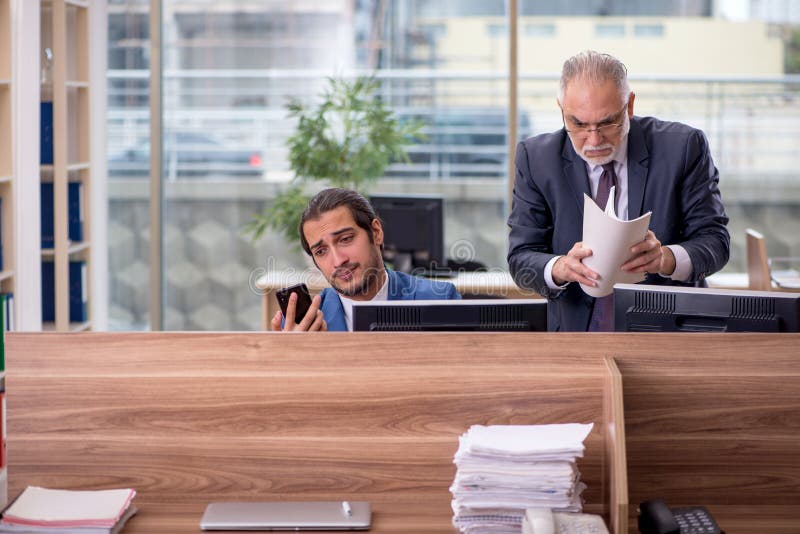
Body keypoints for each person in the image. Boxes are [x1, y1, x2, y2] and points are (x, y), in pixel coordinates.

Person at [507, 50, 730, 332]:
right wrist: (560, 267)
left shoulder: (683, 148)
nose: (594, 139)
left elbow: (716, 243)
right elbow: (521, 258)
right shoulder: (537, 158)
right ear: (561, 109)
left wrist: (666, 259)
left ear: (630, 105)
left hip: (669, 333)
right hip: (577, 335)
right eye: (578, 124)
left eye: (607, 122)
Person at [272, 188, 461, 332]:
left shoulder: (441, 300)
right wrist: (295, 358)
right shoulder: (300, 327)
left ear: (376, 233)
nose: (338, 261)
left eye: (346, 239)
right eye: (321, 251)